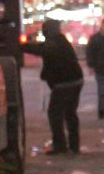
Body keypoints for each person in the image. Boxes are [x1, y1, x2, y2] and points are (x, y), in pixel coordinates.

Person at [23, 19, 84, 155]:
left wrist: (23, 46)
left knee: (55, 114)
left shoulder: (54, 42)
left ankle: (60, 145)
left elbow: (42, 50)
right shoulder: (60, 41)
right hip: (74, 80)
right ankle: (74, 145)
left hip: (64, 83)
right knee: (70, 114)